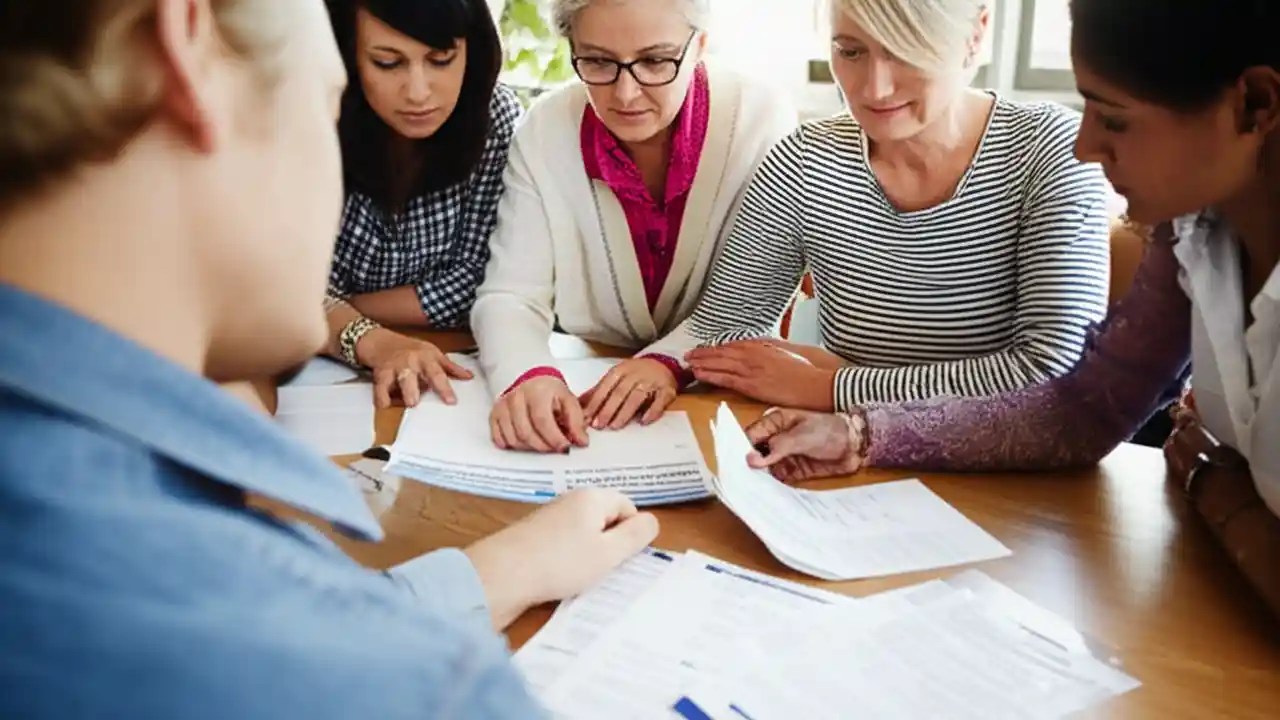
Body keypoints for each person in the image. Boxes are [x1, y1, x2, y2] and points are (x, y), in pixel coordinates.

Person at [0, 1, 656, 717]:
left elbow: (251, 636)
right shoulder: (430, 688)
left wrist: (506, 568)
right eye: (328, 98)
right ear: (187, 54)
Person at [744, 0, 1280, 618]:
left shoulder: (1052, 159)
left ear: (1256, 106)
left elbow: (1055, 374)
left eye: (1114, 119)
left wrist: (1221, 494)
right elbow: (1082, 408)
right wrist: (861, 433)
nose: (1084, 147)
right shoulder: (1192, 224)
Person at [621, 0, 1114, 427]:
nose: (875, 88)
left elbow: (1052, 373)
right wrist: (659, 366)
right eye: (850, 51)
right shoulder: (802, 160)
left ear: (976, 35)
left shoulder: (1052, 152)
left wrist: (833, 387)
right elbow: (727, 321)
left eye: (906, 48)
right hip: (849, 459)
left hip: (1019, 482)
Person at [470, 0, 797, 454]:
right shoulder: (545, 129)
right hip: (596, 398)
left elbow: (753, 303)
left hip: (724, 395)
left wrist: (667, 361)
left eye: (656, 61)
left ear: (699, 46)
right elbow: (509, 295)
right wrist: (527, 374)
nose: (625, 94)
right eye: (599, 61)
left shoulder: (761, 118)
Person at [323, 0, 522, 409]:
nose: (418, 92)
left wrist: (335, 309)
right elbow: (280, 288)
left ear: (472, 51)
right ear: (347, 55)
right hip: (317, 371)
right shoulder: (310, 117)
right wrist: (370, 338)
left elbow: (479, 280)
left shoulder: (496, 119)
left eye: (441, 60)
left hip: (449, 361)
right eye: (387, 63)